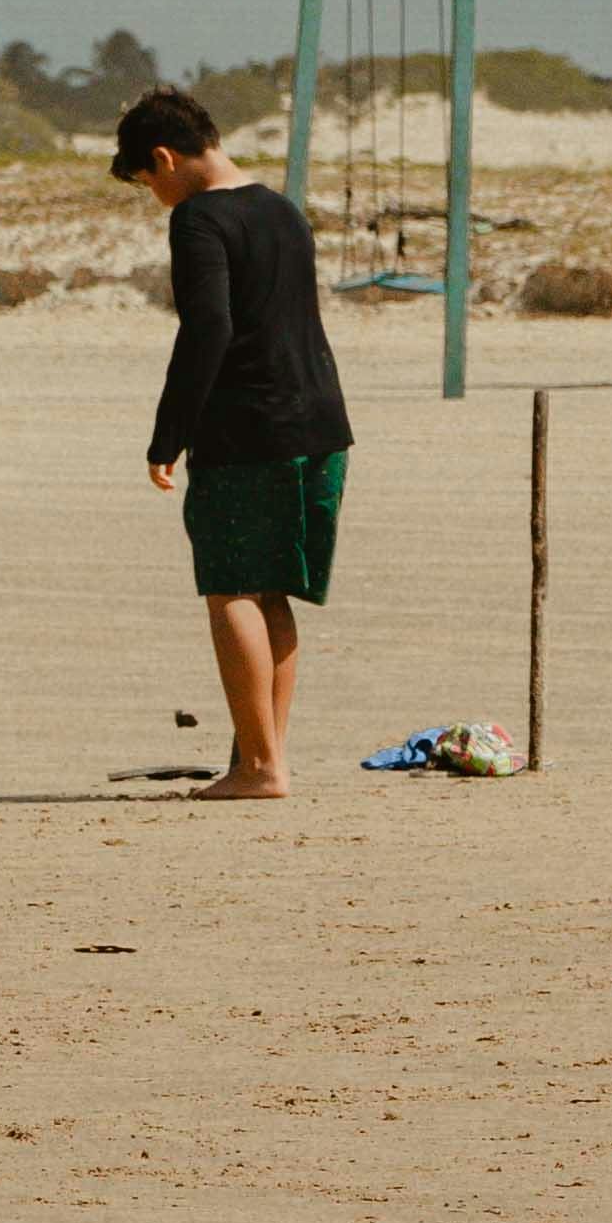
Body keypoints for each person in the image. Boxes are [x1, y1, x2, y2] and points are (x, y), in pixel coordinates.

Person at [113, 84, 350, 803]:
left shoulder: (199, 220)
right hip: (320, 424)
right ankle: (263, 758)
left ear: (164, 157)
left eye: (149, 181)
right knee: (270, 591)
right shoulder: (282, 209)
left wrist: (169, 433)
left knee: (229, 590)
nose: (155, 195)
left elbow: (208, 329)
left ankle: (260, 768)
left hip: (249, 428)